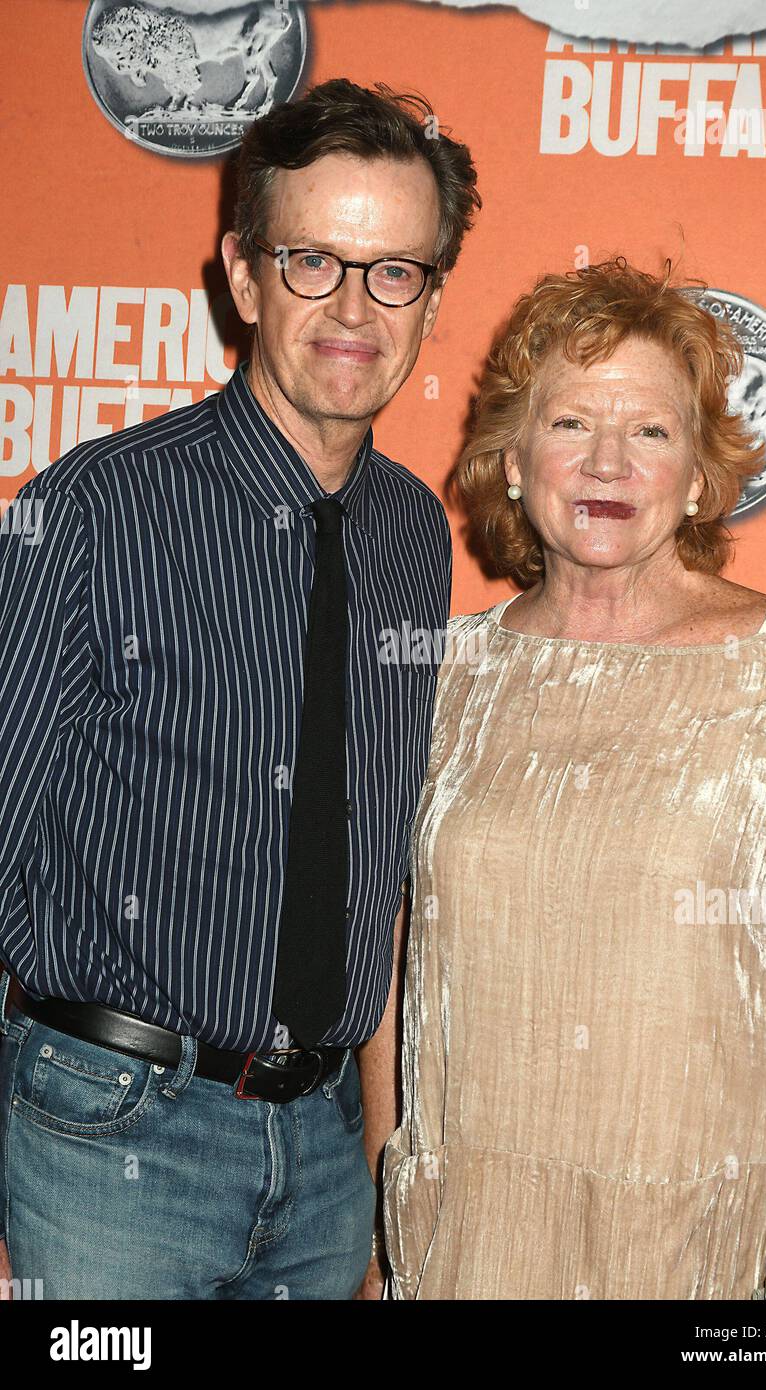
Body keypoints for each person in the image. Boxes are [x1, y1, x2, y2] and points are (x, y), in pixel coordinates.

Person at [0, 77, 480, 1300]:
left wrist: (378, 1166)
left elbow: (374, 879)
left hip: (322, 1160)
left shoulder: (413, 537)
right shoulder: (96, 509)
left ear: (430, 297)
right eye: (313, 260)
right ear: (244, 271)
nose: (354, 307)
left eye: (395, 271)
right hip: (104, 1138)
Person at [382, 258, 766, 1300]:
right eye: (568, 425)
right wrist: (386, 1230)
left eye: (648, 431)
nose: (605, 461)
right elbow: (392, 967)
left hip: (714, 1257)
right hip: (476, 1244)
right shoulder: (442, 670)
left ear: (696, 476)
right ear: (511, 459)